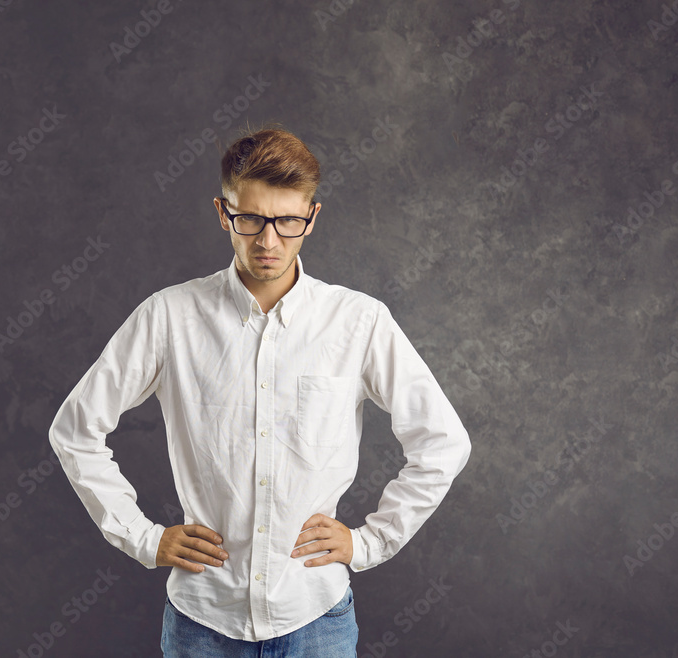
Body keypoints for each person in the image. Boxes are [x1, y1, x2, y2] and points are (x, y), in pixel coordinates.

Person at [47, 123, 471, 657]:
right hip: (201, 621)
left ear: (312, 218)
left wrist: (369, 542)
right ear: (224, 212)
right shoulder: (169, 317)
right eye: (251, 219)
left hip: (316, 620)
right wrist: (143, 536)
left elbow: (443, 443)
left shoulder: (359, 322)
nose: (269, 240)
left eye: (288, 220)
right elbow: (74, 431)